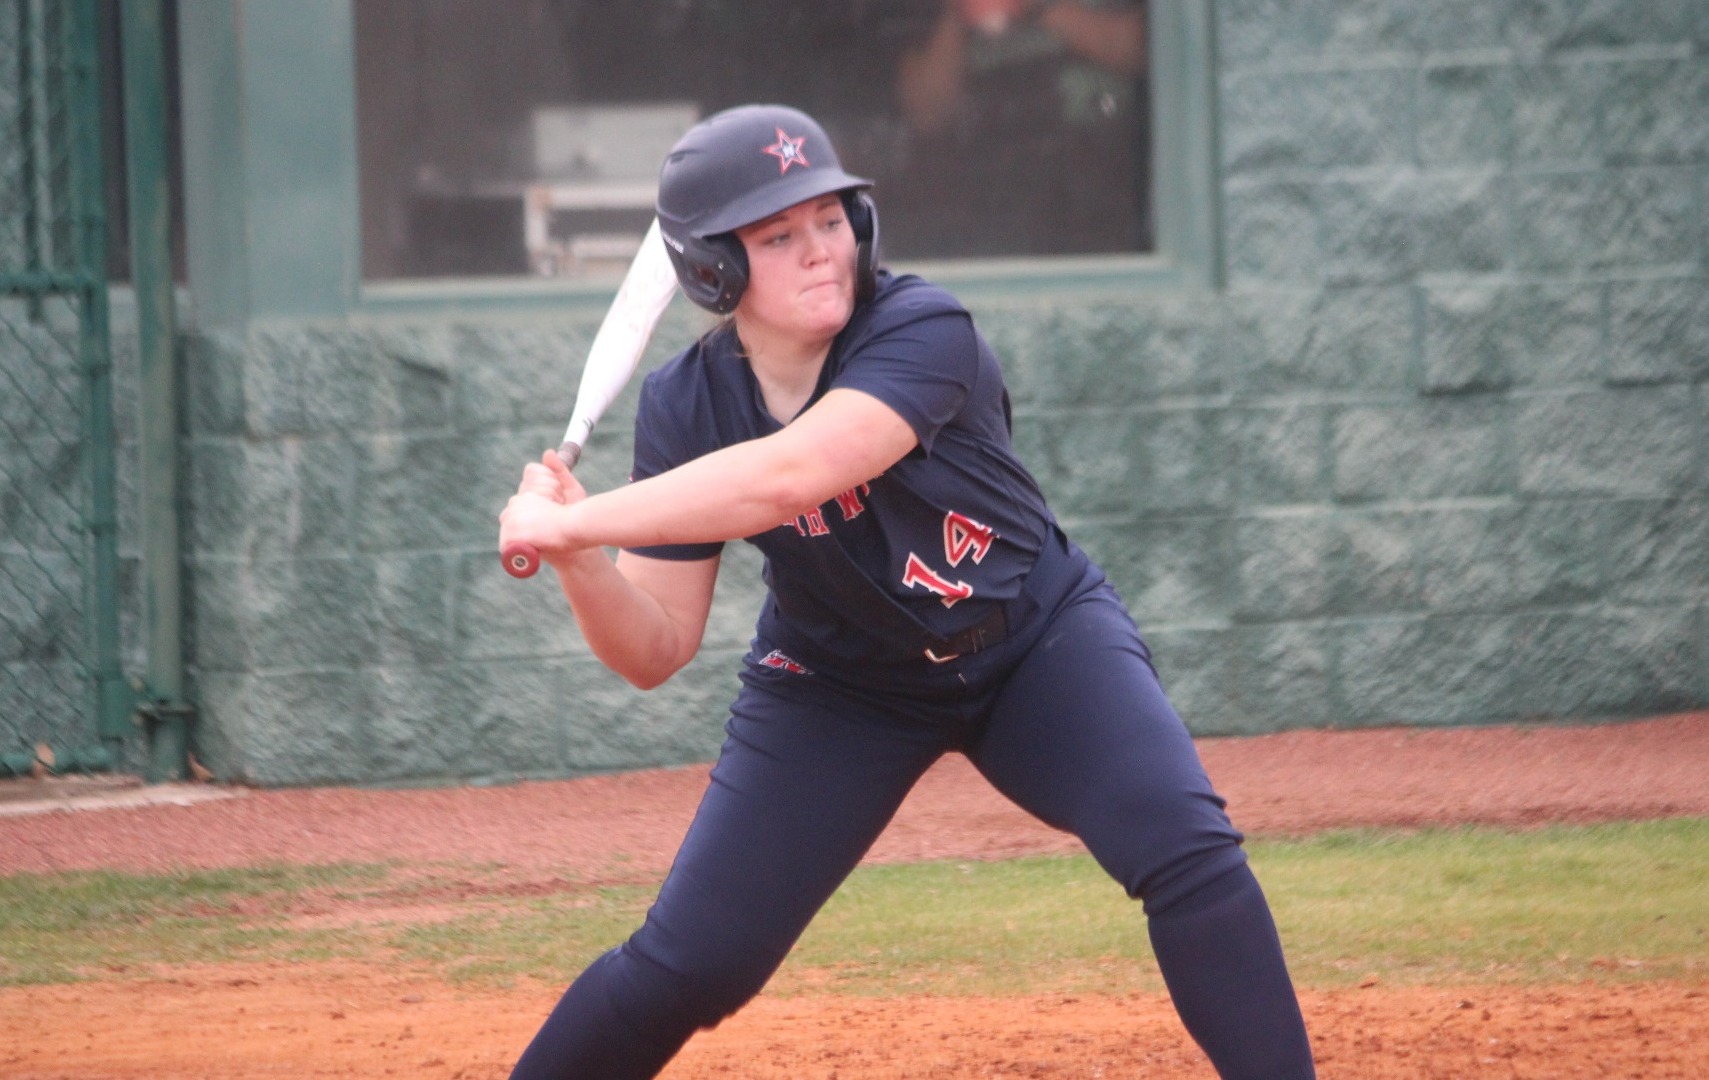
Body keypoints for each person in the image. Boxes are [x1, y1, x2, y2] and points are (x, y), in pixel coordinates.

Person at [497, 103, 1315, 1079]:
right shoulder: (687, 405)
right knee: (690, 965)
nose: (820, 250)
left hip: (1032, 644)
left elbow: (792, 474)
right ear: (711, 268)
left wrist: (578, 520)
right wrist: (579, 561)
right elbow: (652, 649)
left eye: (831, 219)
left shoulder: (921, 329)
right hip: (838, 686)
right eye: (777, 234)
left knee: (1184, 849)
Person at [890, 0, 1153, 257]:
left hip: (1103, 186)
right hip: (989, 198)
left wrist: (1041, 7)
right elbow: (927, 113)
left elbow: (1144, 51)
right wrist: (958, 13)